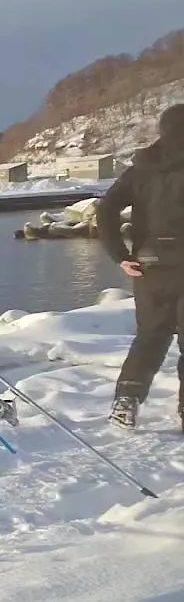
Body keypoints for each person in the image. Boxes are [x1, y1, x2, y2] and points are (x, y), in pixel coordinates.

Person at [95, 102, 184, 429]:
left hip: (149, 265)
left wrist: (120, 255)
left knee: (150, 337)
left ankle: (127, 399)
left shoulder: (142, 168)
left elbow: (105, 209)